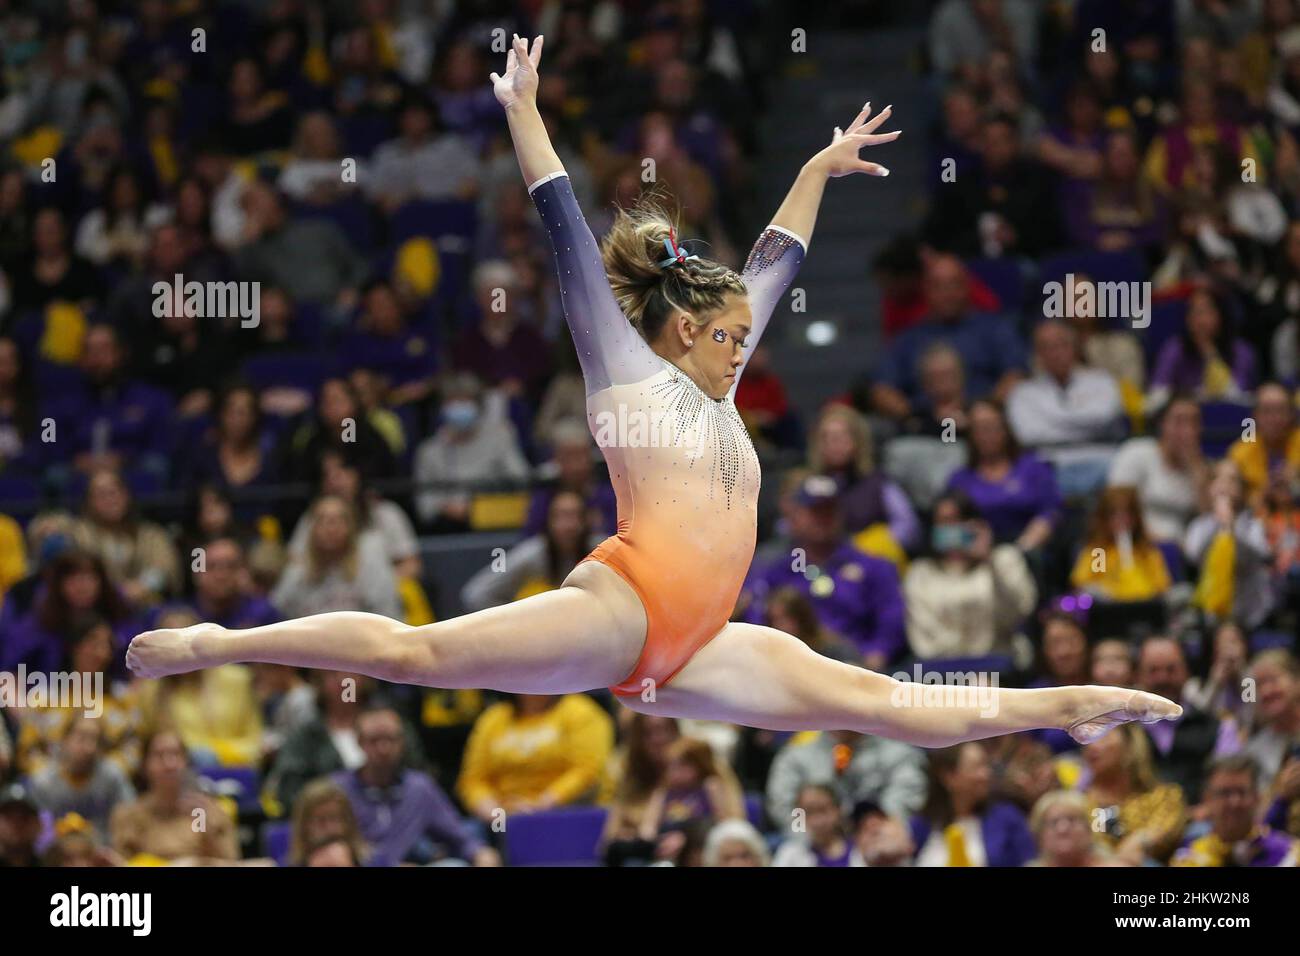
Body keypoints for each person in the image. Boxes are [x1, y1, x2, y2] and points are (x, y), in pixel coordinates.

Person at [127, 35, 1180, 753]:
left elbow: (777, 258)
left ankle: (1075, 705)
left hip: (702, 639)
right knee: (426, 652)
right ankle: (218, 643)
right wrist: (526, 113)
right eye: (726, 339)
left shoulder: (718, 383)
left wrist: (818, 163)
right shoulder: (627, 369)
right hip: (624, 606)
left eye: (742, 337)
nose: (744, 354)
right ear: (681, 328)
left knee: (884, 703)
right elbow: (568, 237)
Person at [1172, 755, 1299, 866]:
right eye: (1224, 793)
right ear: (1207, 799)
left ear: (1257, 797)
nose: (1234, 802)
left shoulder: (1288, 854)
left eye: (1242, 792)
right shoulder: (1189, 855)